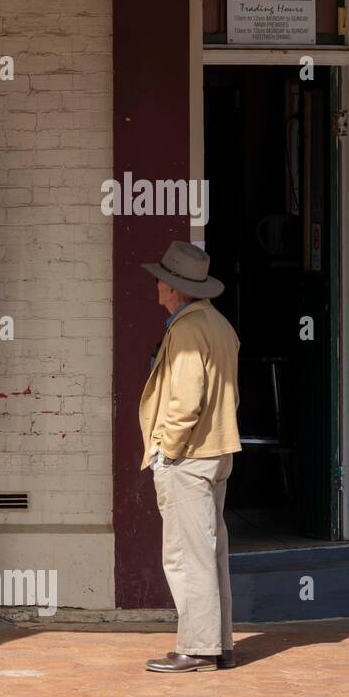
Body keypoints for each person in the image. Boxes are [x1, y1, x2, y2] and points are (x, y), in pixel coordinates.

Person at [138, 241, 241, 672]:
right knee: (210, 551)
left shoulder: (184, 330)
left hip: (189, 457)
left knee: (186, 556)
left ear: (176, 289)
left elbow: (185, 400)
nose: (157, 284)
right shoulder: (219, 325)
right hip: (216, 451)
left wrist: (167, 450)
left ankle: (197, 649)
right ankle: (219, 644)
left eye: (162, 278)